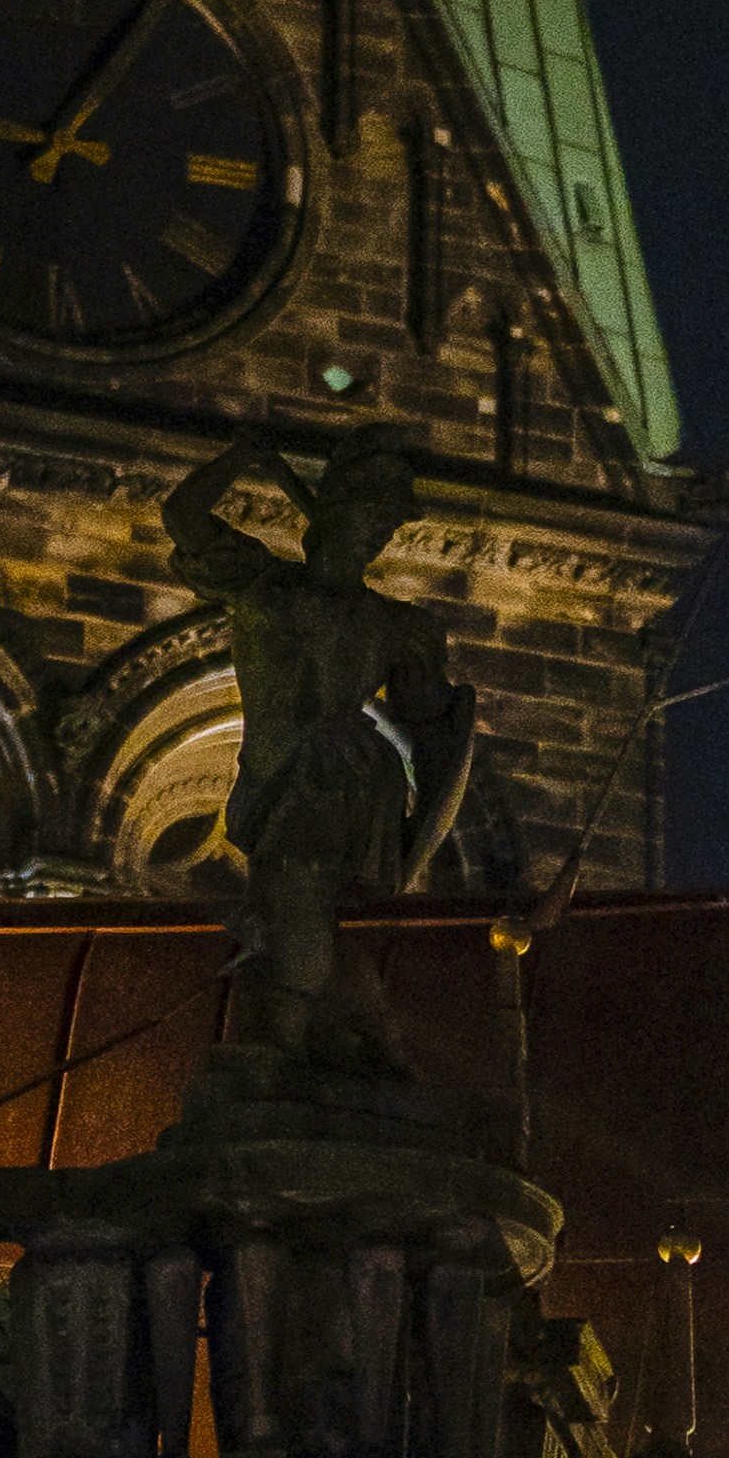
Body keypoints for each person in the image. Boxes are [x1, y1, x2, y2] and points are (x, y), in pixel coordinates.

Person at [160, 420, 477, 1067]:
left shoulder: (395, 624)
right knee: (303, 914)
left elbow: (429, 717)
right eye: (367, 517)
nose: (376, 534)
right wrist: (238, 455)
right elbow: (183, 512)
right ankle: (365, 1037)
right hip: (279, 768)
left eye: (386, 527)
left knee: (300, 901)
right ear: (329, 514)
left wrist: (441, 700)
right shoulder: (260, 583)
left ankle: (284, 1041)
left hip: (342, 777)